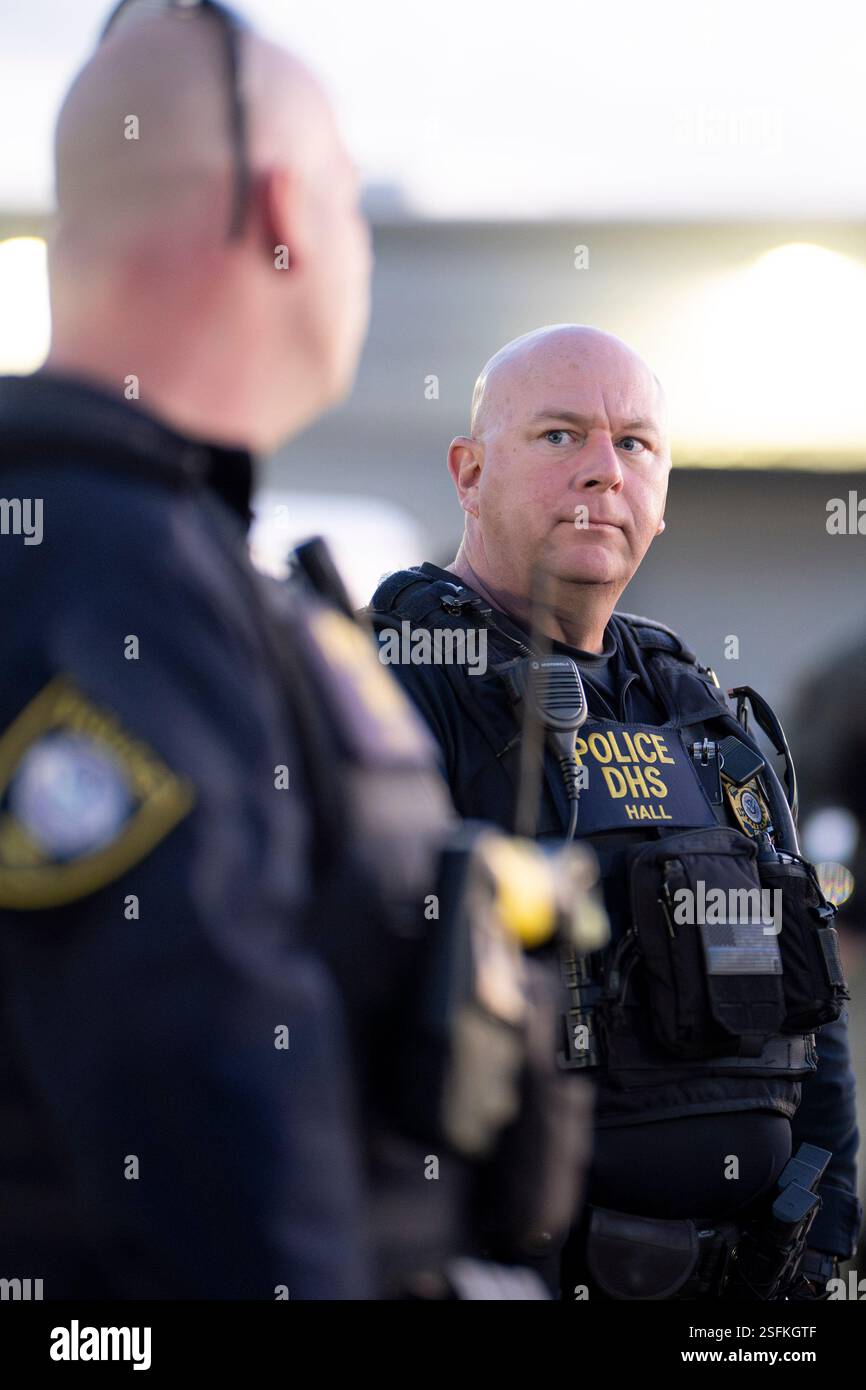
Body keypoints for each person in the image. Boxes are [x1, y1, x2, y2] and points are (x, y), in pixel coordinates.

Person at [0, 7, 590, 1301]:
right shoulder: (99, 580)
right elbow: (205, 1139)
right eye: (348, 206)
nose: (359, 255)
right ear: (279, 207)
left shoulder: (183, 569)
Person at [367, 323, 861, 1299]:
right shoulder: (394, 692)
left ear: (663, 489)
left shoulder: (702, 714)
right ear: (468, 472)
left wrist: (826, 1248)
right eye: (559, 436)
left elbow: (815, 1024)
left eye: (633, 443)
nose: (602, 471)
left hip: (740, 1294)